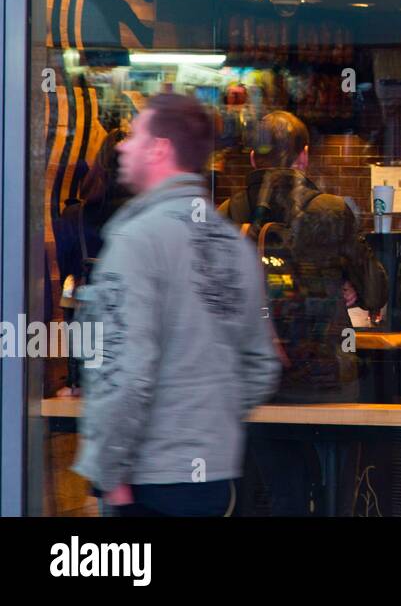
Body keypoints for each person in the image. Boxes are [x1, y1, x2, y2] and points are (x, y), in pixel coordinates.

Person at [72, 92, 281, 516]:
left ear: (159, 148)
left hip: (146, 484)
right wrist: (206, 425)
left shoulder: (137, 240)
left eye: (134, 136)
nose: (121, 145)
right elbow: (261, 363)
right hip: (214, 483)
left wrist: (108, 474)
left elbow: (124, 370)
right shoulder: (234, 245)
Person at [219, 110, 387, 515]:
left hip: (258, 381)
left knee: (281, 495)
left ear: (255, 159)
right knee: (336, 496)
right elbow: (376, 289)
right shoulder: (330, 210)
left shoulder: (226, 214)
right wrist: (345, 284)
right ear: (305, 156)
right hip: (326, 377)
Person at [53, 127, 131, 396]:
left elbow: (68, 290)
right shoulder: (151, 219)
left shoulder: (72, 218)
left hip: (92, 362)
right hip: (139, 362)